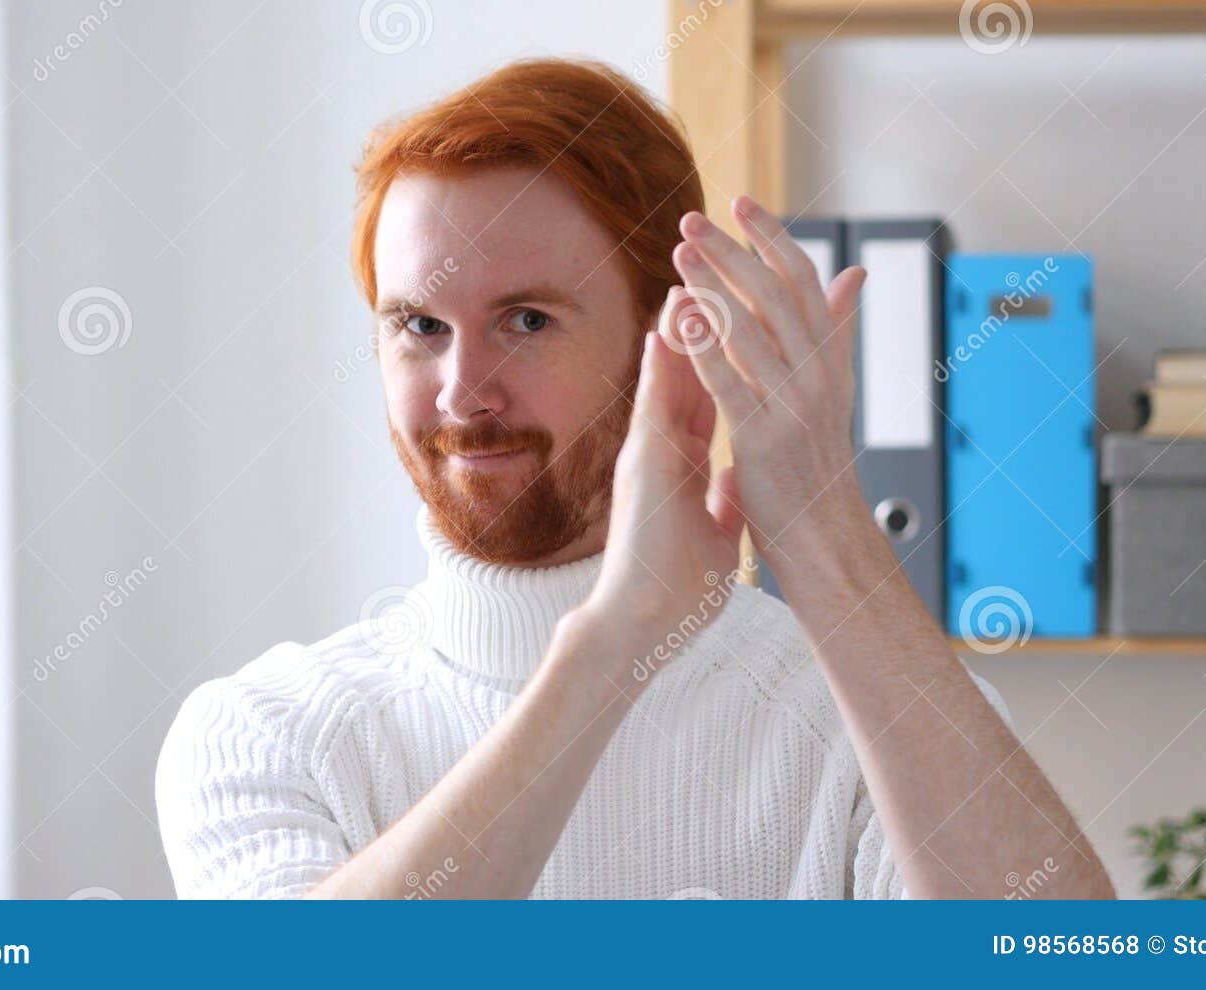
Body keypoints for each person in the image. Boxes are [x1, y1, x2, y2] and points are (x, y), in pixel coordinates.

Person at [154, 57, 1114, 900]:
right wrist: (616, 638)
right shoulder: (266, 732)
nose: (461, 395)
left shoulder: (869, 724)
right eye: (420, 326)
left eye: (527, 320)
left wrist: (821, 525)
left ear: (676, 338)